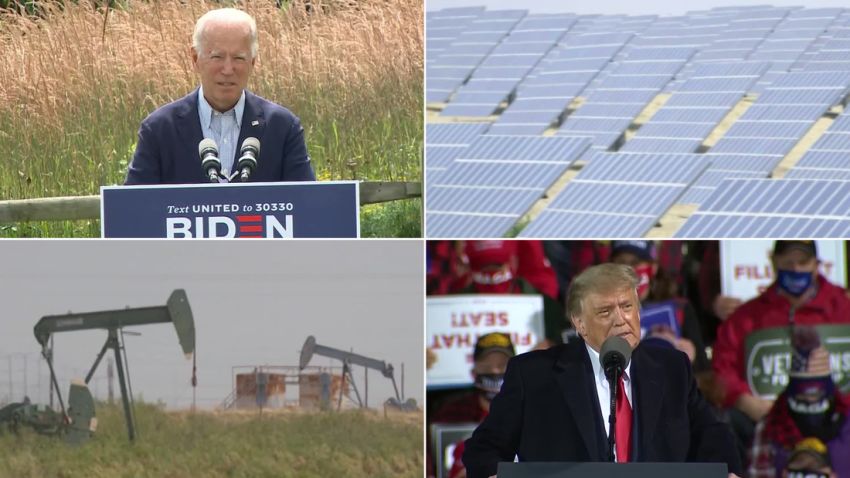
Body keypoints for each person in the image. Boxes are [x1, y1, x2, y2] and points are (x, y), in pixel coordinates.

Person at [462, 263, 742, 478]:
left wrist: (725, 471)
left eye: (627, 307)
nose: (621, 320)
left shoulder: (672, 368)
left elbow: (713, 435)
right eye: (606, 312)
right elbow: (484, 448)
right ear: (579, 323)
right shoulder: (534, 375)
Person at [125, 8, 315, 185]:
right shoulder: (159, 129)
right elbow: (135, 209)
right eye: (217, 57)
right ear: (195, 58)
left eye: (239, 58)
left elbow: (305, 205)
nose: (227, 69)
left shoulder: (282, 127)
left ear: (253, 62)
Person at [712, 241, 850, 451]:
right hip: (767, 422)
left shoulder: (843, 308)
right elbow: (722, 369)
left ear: (816, 264)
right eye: (788, 262)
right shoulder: (746, 317)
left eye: (803, 262)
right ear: (774, 262)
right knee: (726, 422)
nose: (795, 269)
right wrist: (743, 400)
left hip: (837, 419)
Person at [748, 327, 850, 477]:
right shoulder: (769, 428)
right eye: (802, 394)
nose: (809, 399)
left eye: (816, 393)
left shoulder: (847, 425)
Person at [608, 240, 710, 373]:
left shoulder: (680, 309)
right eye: (621, 263)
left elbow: (705, 373)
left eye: (635, 262)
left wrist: (692, 357)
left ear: (653, 267)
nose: (628, 270)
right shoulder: (602, 313)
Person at [429, 333, 516, 478]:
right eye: (487, 366)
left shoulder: (532, 413)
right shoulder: (449, 415)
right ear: (474, 372)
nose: (495, 371)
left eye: (502, 366)